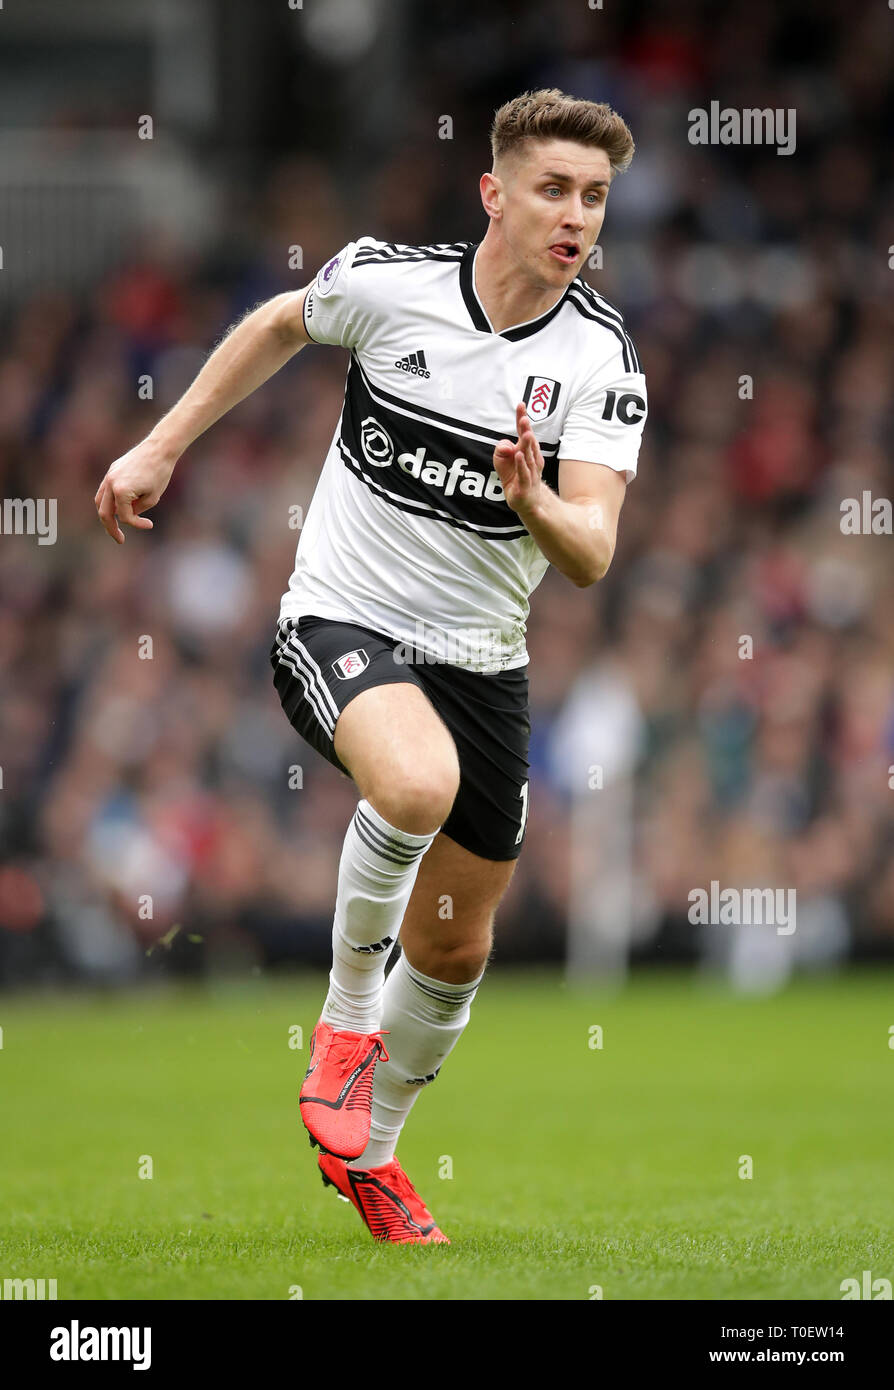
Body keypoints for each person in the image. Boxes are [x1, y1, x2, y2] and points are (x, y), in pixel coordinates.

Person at [94, 88, 647, 1244]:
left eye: (594, 197)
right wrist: (160, 445)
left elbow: (592, 553)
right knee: (414, 783)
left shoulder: (599, 357)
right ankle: (345, 1024)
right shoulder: (392, 284)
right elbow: (279, 323)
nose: (575, 216)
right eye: (553, 189)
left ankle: (375, 1156)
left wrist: (536, 501)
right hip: (340, 619)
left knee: (454, 945)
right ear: (493, 192)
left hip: (483, 664)